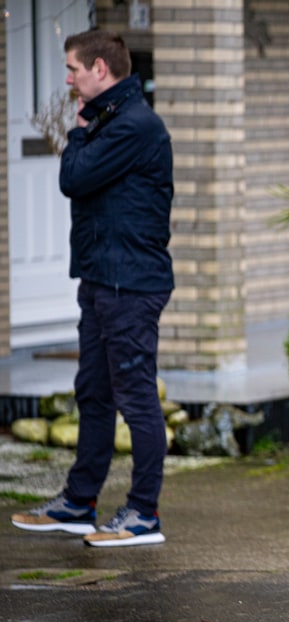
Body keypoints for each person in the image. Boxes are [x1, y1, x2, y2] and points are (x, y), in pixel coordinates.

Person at [10, 30, 174, 548]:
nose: (68, 79)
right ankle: (79, 503)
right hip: (103, 279)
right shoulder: (111, 118)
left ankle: (143, 514)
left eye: (73, 69)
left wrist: (78, 134)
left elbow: (73, 179)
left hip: (131, 284)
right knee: (94, 392)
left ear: (100, 69)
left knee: (136, 397)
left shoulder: (133, 126)